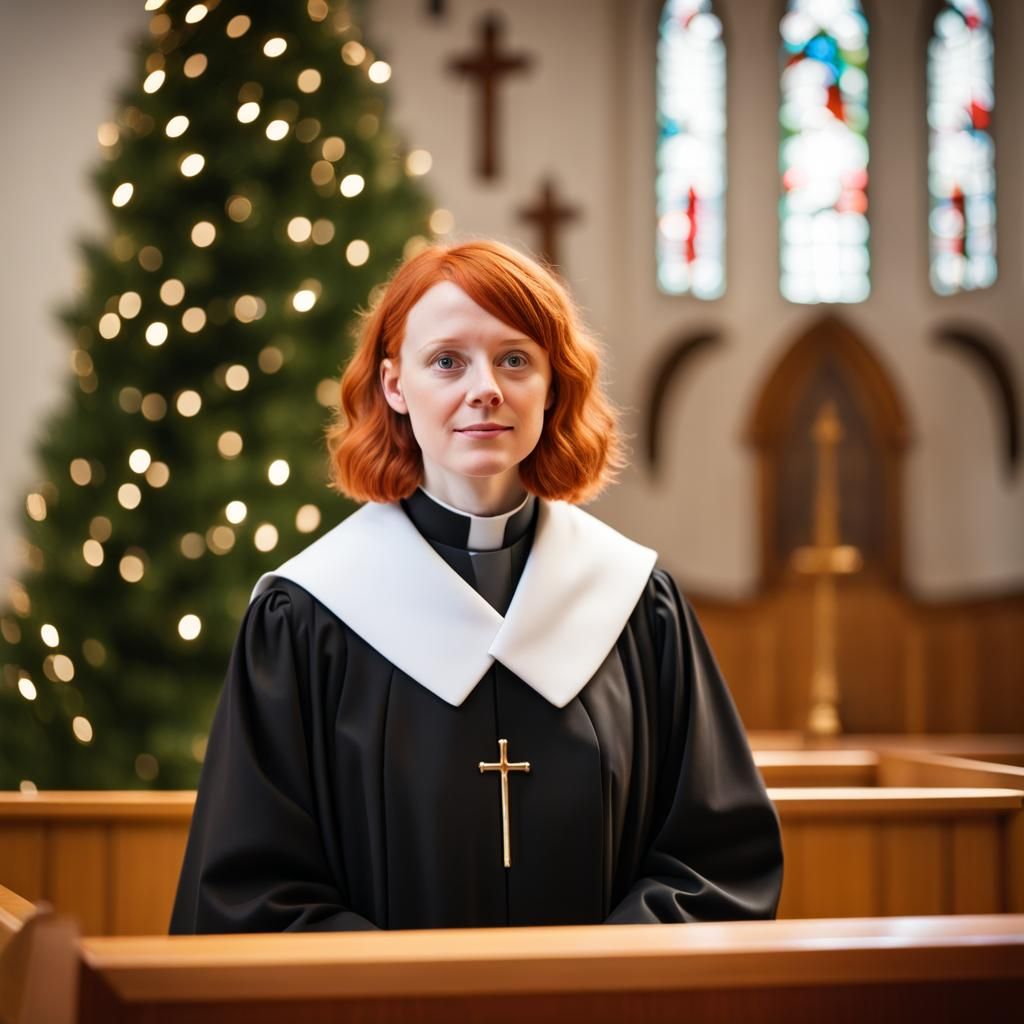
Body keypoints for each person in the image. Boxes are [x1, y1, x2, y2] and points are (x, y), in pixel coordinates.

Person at [170, 239, 783, 933]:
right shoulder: (309, 616)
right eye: (447, 361)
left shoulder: (639, 605)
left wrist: (597, 991)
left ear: (553, 384)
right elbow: (251, 890)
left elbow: (717, 863)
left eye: (515, 358)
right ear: (395, 384)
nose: (485, 388)